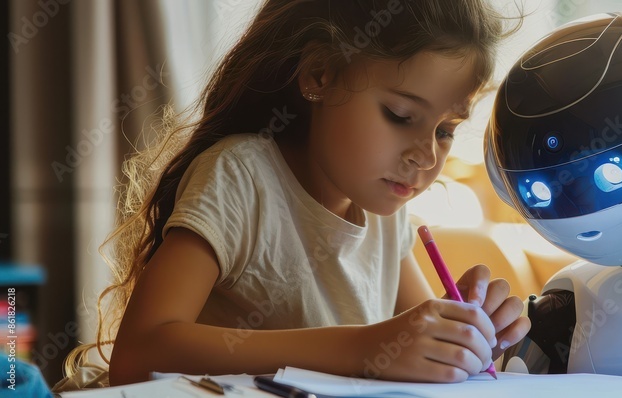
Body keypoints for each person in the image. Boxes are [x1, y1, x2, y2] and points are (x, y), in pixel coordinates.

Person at [59, 0, 528, 387]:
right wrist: (365, 348)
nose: (426, 155)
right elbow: (140, 354)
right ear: (319, 76)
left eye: (446, 130)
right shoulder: (242, 176)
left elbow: (414, 343)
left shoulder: (385, 214)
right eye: (401, 116)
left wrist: (470, 333)